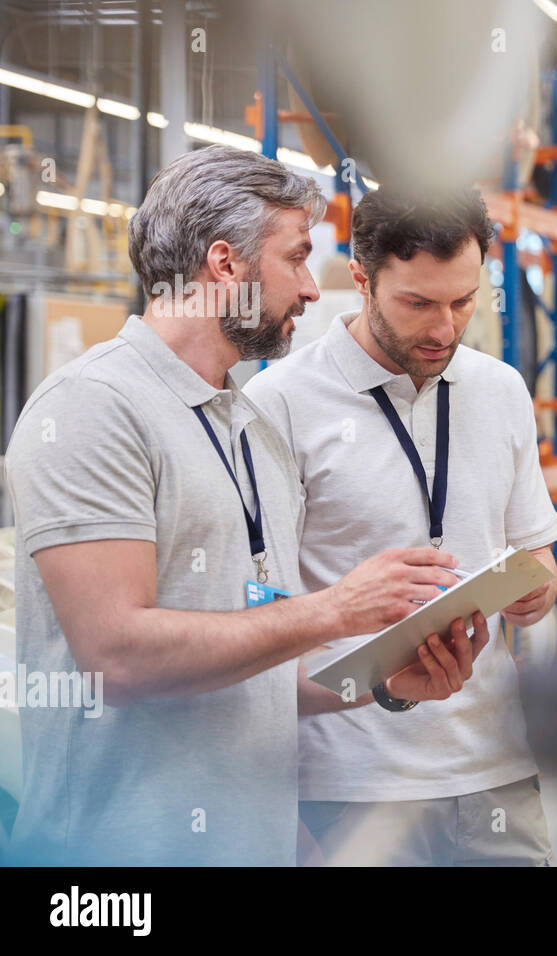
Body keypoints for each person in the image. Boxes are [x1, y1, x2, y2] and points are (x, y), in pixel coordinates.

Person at [2, 146, 484, 866]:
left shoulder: (249, 425)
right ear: (225, 265)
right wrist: (339, 609)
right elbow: (118, 656)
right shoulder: (92, 408)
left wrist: (381, 683)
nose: (313, 290)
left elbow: (257, 674)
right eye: (295, 258)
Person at [245, 185, 557, 866]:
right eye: (418, 303)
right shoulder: (278, 405)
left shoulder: (502, 391)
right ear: (361, 279)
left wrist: (538, 589)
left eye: (463, 301)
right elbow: (257, 625)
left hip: (494, 768)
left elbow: (535, 551)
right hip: (350, 787)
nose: (445, 329)